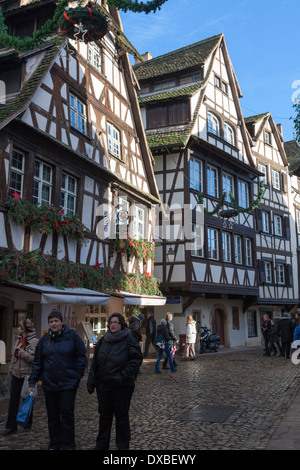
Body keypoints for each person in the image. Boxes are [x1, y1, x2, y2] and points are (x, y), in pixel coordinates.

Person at [28, 310, 86, 450]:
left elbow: (81, 356)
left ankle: (68, 444)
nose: (53, 324)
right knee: (52, 415)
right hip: (50, 384)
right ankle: (54, 443)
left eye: (56, 321)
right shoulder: (44, 340)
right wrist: (32, 381)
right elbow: (37, 362)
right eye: (51, 322)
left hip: (68, 384)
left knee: (66, 414)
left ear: (61, 322)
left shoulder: (72, 336)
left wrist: (77, 375)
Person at [87, 313, 143, 450]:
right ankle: (101, 445)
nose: (113, 324)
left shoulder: (128, 340)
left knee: (121, 417)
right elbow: (95, 362)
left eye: (116, 322)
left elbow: (136, 359)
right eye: (111, 322)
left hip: (122, 386)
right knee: (104, 417)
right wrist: (92, 379)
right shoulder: (103, 340)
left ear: (121, 324)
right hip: (104, 386)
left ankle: (122, 446)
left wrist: (123, 375)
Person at [3, 319, 39, 436]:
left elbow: (36, 359)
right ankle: (10, 426)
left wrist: (23, 354)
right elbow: (15, 357)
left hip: (27, 375)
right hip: (16, 373)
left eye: (19, 326)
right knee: (13, 400)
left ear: (25, 328)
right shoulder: (18, 340)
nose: (17, 328)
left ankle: (27, 424)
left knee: (26, 400)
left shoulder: (34, 341)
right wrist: (11, 369)